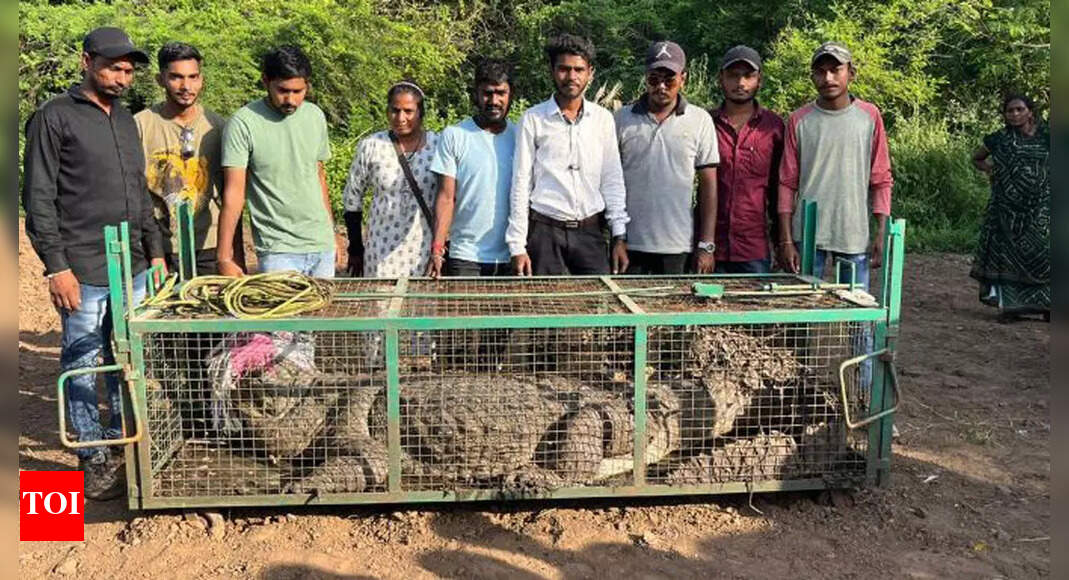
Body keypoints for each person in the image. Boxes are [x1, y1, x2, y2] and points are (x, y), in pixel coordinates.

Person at [22, 26, 165, 500]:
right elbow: (38, 198)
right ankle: (92, 455)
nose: (122, 78)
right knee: (83, 361)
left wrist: (157, 251)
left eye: (128, 70)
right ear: (87, 62)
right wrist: (55, 267)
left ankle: (125, 441)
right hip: (82, 265)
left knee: (128, 359)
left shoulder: (125, 120)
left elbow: (139, 193)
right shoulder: (54, 117)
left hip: (135, 265)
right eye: (113, 67)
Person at [507, 34, 629, 275]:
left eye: (578, 69)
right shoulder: (533, 119)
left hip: (591, 233)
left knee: (597, 307)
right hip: (544, 232)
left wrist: (619, 235)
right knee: (547, 308)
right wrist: (517, 246)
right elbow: (521, 183)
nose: (571, 77)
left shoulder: (603, 120)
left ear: (590, 73)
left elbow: (612, 180)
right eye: (564, 69)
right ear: (552, 70)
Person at [217, 45, 340, 278]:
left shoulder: (315, 116)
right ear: (265, 81)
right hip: (278, 249)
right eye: (283, 90)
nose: (291, 100)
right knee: (285, 314)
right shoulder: (243, 123)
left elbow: (318, 177)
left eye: (298, 91)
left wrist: (331, 234)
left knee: (322, 314)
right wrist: (224, 257)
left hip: (320, 243)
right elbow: (234, 194)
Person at [777, 42, 893, 289]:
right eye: (820, 71)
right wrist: (786, 240)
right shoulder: (799, 120)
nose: (827, 77)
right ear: (812, 77)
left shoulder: (869, 117)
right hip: (807, 234)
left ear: (851, 73)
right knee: (803, 311)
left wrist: (882, 231)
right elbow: (787, 183)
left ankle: (861, 330)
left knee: (857, 314)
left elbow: (881, 178)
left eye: (835, 70)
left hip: (852, 230)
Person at [615, 41, 719, 275]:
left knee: (672, 309)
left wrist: (706, 245)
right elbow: (610, 183)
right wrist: (616, 237)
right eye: (654, 79)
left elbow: (709, 186)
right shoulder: (621, 119)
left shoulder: (700, 120)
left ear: (683, 78)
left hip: (678, 245)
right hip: (631, 244)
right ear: (645, 78)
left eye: (669, 79)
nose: (661, 86)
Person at [135, 42, 238, 277]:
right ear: (160, 79)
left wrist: (231, 254)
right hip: (159, 249)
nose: (186, 86)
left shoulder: (218, 127)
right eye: (176, 77)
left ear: (201, 79)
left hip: (207, 247)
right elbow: (134, 191)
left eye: (193, 77)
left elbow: (232, 194)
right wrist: (153, 252)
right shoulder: (140, 125)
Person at [426, 60, 517, 278]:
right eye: (487, 93)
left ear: (511, 95)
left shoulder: (521, 136)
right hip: (465, 256)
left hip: (511, 256)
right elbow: (446, 197)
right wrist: (438, 249)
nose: (494, 101)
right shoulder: (454, 135)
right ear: (476, 94)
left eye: (501, 93)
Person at [342, 81, 439, 278]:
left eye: (408, 111)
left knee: (423, 307)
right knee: (381, 305)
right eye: (395, 110)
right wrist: (355, 249)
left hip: (424, 250)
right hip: (381, 250)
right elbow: (352, 199)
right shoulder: (372, 146)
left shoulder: (438, 146)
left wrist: (441, 247)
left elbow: (450, 196)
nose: (401, 118)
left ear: (421, 112)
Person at [969, 94, 1050, 322]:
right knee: (1008, 257)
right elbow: (977, 158)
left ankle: (1048, 306)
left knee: (1044, 254)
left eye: (1019, 109)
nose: (1015, 114)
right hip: (1007, 209)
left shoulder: (1047, 136)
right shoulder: (999, 139)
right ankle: (1011, 307)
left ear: (1030, 112)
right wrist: (991, 170)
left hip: (1042, 208)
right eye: (1010, 111)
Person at [710, 45, 784, 274]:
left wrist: (782, 242)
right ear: (721, 79)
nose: (740, 83)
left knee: (754, 307)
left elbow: (779, 190)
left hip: (753, 248)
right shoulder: (705, 123)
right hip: (710, 246)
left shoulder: (774, 127)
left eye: (748, 76)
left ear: (759, 80)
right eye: (733, 75)